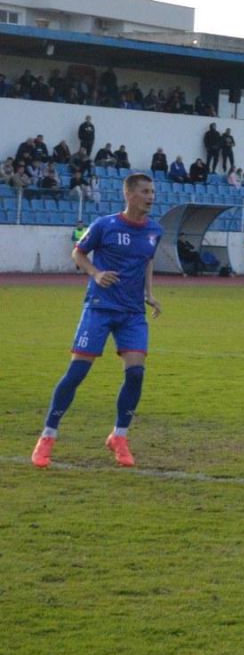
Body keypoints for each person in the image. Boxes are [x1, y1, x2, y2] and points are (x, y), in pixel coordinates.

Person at [32, 174, 164, 469]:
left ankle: (119, 436)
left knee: (136, 374)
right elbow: (78, 252)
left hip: (132, 313)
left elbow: (147, 261)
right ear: (129, 195)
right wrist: (95, 273)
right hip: (100, 308)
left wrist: (150, 294)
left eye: (153, 191)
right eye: (145, 191)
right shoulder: (105, 225)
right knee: (77, 372)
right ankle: (47, 437)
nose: (151, 196)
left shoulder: (155, 230)